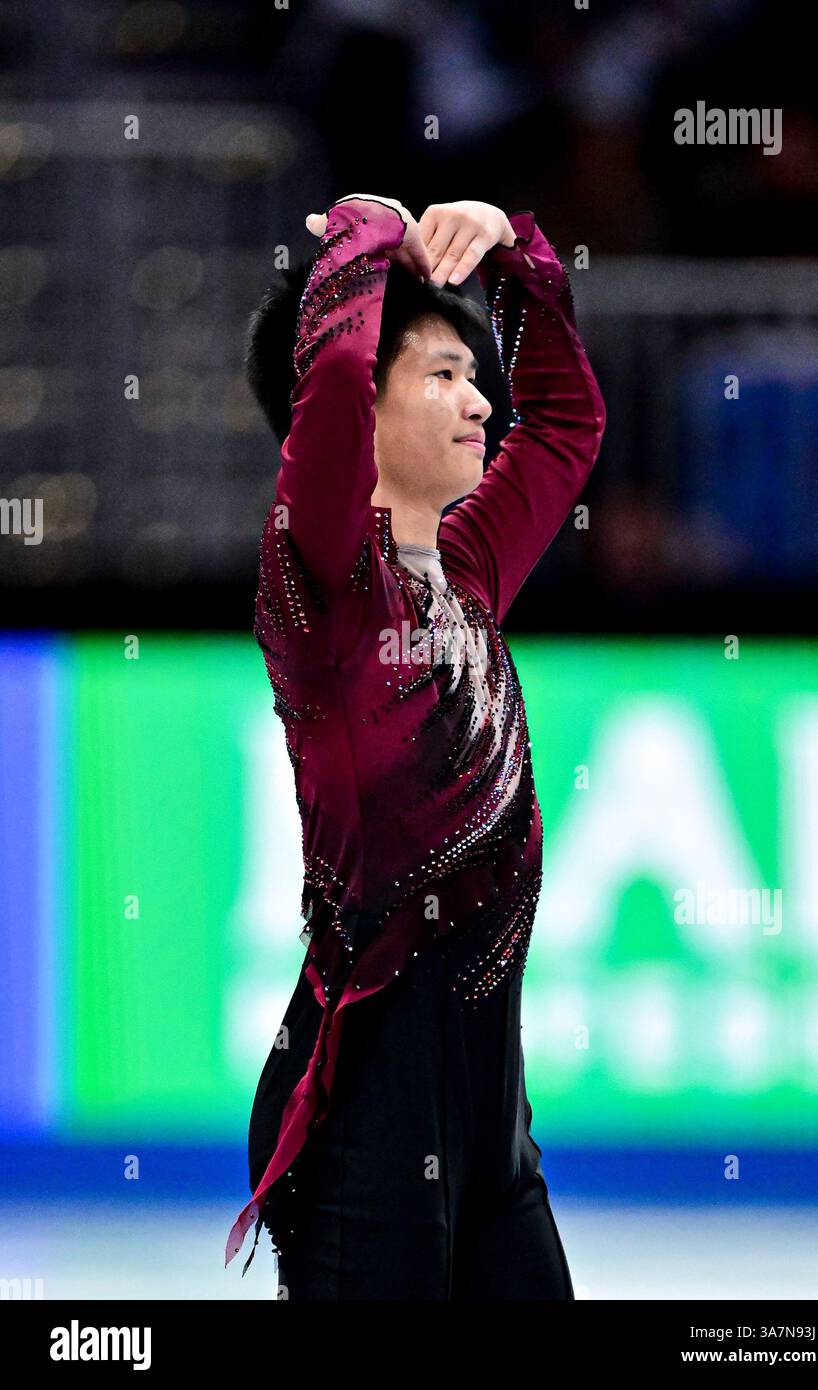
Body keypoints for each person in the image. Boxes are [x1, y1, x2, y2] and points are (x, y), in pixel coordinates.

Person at [225, 193, 606, 1299]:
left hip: (493, 1135)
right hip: (365, 1136)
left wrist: (516, 250)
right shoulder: (323, 590)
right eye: (440, 373)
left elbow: (565, 422)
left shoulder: (469, 571)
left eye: (470, 371)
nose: (475, 399)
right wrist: (363, 227)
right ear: (362, 410)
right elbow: (334, 381)